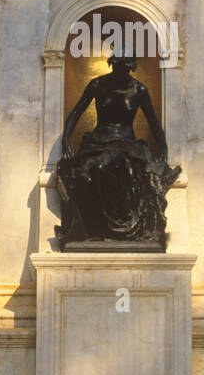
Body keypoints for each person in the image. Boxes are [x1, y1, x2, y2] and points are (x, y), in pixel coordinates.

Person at [55, 53, 180, 247]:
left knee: (105, 167)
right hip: (98, 141)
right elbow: (76, 111)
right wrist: (65, 138)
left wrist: (163, 147)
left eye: (124, 67)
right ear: (112, 64)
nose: (120, 70)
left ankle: (119, 229)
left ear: (130, 67)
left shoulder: (139, 89)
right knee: (82, 175)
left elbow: (153, 123)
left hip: (127, 145)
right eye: (117, 66)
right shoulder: (98, 84)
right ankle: (90, 230)